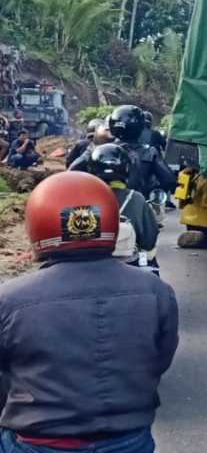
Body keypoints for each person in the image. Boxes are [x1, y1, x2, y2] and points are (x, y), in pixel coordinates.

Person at [0, 172, 178, 453]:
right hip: (128, 440)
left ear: (37, 225)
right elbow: (159, 361)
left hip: (37, 443)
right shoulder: (156, 290)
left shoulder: (10, 299)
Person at [70, 106, 176, 198]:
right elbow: (169, 181)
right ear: (140, 127)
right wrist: (151, 191)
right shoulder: (150, 152)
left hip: (103, 204)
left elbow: (73, 170)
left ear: (112, 125)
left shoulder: (98, 150)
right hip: (136, 205)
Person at [88, 143, 160, 259]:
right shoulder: (136, 198)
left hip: (91, 262)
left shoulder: (82, 198)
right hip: (129, 263)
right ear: (126, 167)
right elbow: (149, 241)